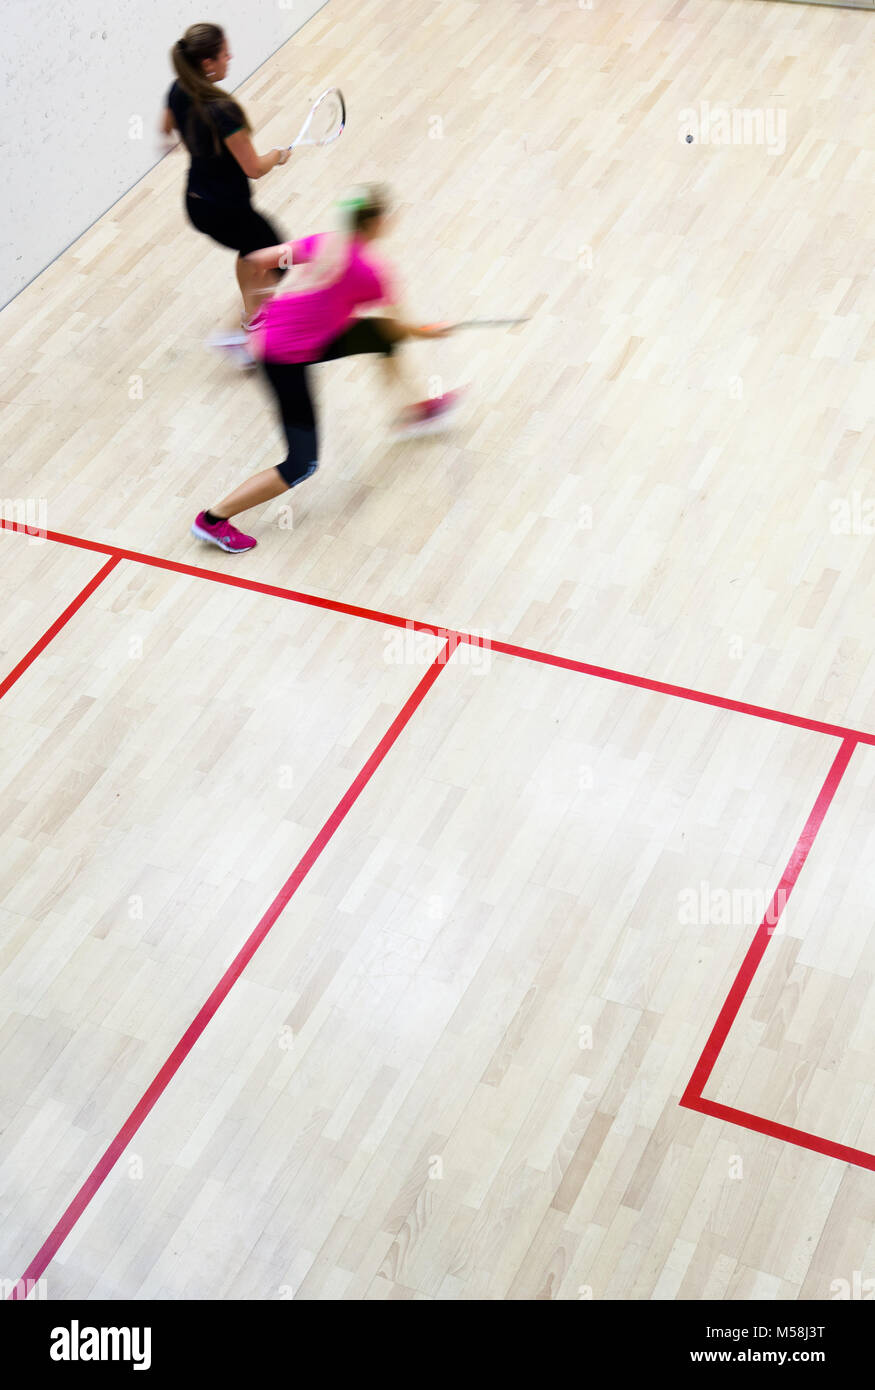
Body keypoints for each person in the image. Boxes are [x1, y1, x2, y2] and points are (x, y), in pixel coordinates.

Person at [191, 187, 461, 554]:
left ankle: (413, 412)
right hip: (284, 359)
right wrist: (434, 331)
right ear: (377, 222)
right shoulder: (369, 273)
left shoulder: (325, 241)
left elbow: (257, 260)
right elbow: (406, 327)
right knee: (302, 463)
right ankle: (213, 519)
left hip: (290, 334)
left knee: (379, 336)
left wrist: (253, 317)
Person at [161, 22, 291, 335]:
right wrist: (278, 154)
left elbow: (166, 129)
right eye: (224, 54)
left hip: (198, 205)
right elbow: (254, 169)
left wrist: (200, 146)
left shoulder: (178, 90)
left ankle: (251, 315)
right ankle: (252, 323)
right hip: (227, 209)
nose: (230, 57)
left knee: (251, 251)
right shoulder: (223, 112)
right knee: (279, 259)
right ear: (207, 63)